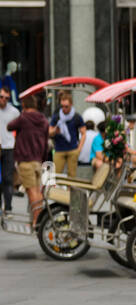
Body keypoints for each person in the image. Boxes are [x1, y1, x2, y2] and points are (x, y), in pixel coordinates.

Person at [8, 93, 49, 222]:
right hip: (38, 160)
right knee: (38, 191)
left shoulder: (23, 118)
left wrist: (22, 114)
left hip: (25, 160)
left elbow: (9, 126)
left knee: (31, 192)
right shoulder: (43, 119)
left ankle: (36, 221)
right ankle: (38, 220)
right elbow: (46, 141)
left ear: (24, 105)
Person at [48, 90, 84, 178]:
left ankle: (70, 191)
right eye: (62, 106)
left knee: (72, 176)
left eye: (66, 107)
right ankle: (58, 192)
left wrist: (79, 149)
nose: (64, 109)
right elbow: (49, 133)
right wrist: (55, 130)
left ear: (71, 105)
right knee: (56, 175)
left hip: (73, 149)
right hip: (59, 149)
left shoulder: (76, 117)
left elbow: (84, 133)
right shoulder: (57, 116)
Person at [0, 86, 18, 213]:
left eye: (6, 98)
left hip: (9, 147)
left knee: (8, 178)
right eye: (1, 97)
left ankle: (8, 207)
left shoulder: (14, 112)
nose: (3, 100)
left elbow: (19, 128)